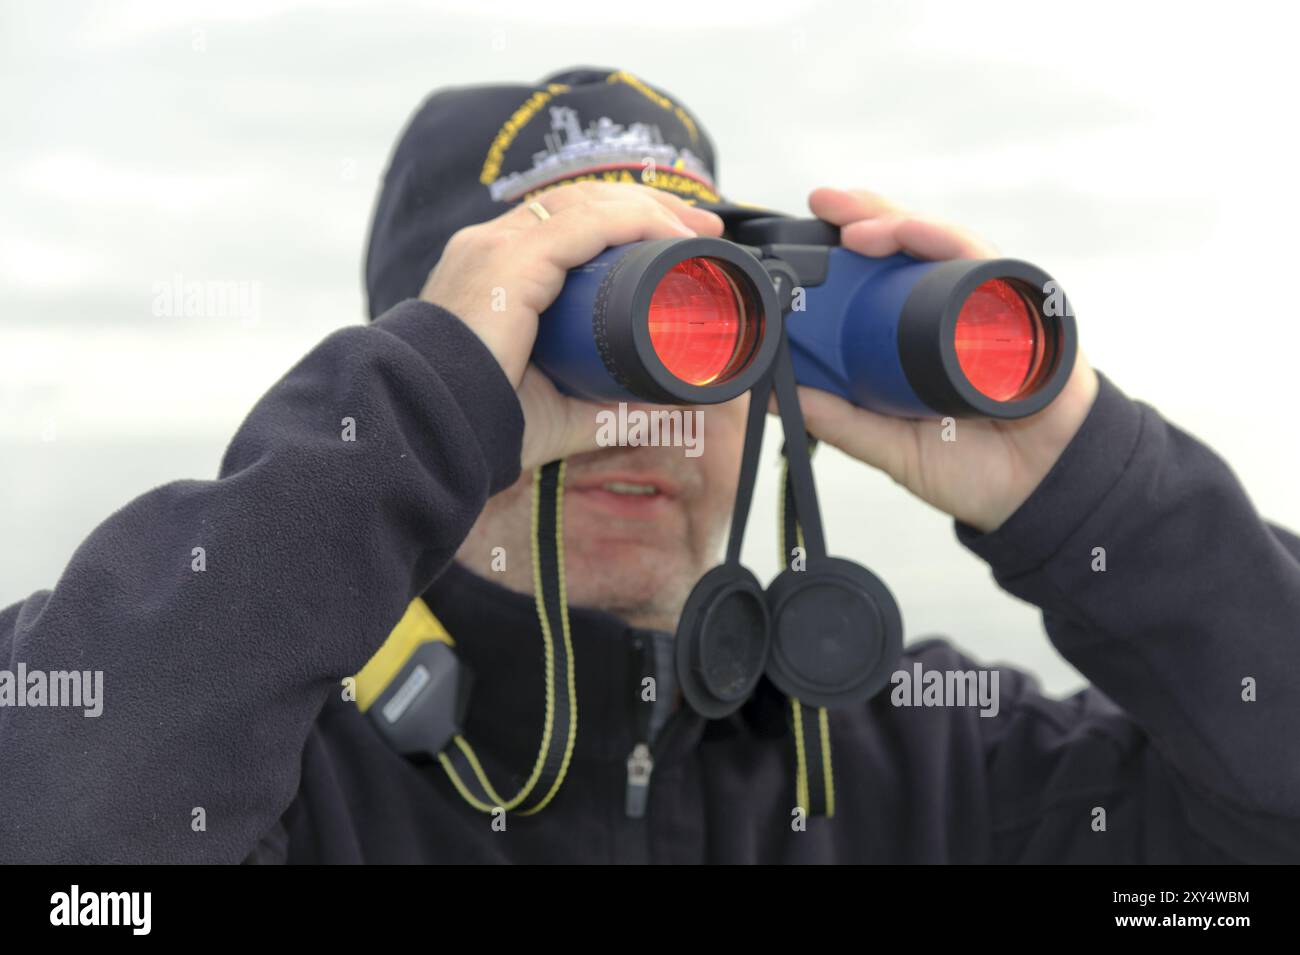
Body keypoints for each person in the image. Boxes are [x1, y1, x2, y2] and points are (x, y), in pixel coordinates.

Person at [1, 66, 1296, 864]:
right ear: (430, 379)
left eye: (701, 335)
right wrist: (391, 436)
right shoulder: (267, 772)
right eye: (570, 342)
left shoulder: (942, 770)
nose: (641, 414)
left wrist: (1090, 483)